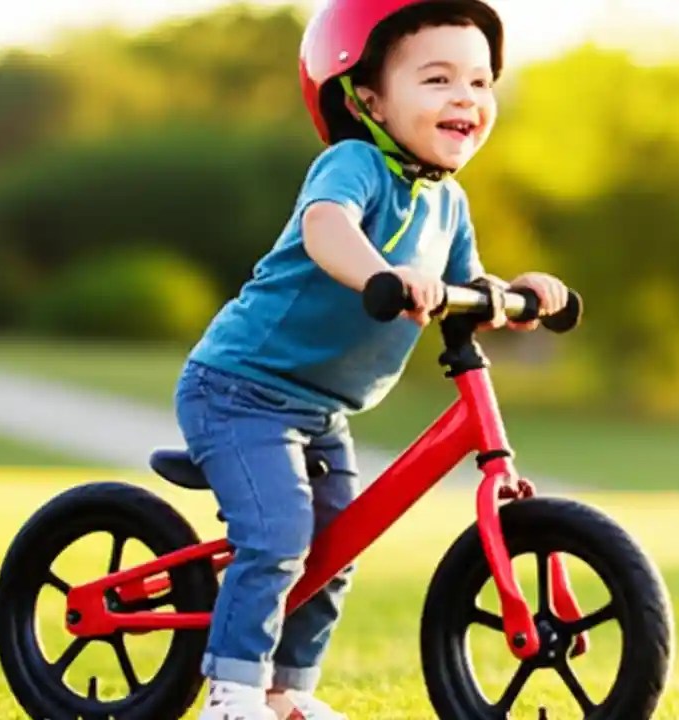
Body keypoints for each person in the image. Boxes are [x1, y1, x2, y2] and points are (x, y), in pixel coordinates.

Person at [175, 1, 568, 718]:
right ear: (368, 98)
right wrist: (378, 275)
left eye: (481, 83)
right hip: (240, 390)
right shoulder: (352, 164)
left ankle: (287, 695)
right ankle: (231, 695)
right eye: (438, 78)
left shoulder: (448, 203)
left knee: (336, 549)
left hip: (322, 410)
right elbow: (328, 228)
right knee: (279, 536)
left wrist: (519, 295)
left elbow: (470, 286)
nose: (466, 98)